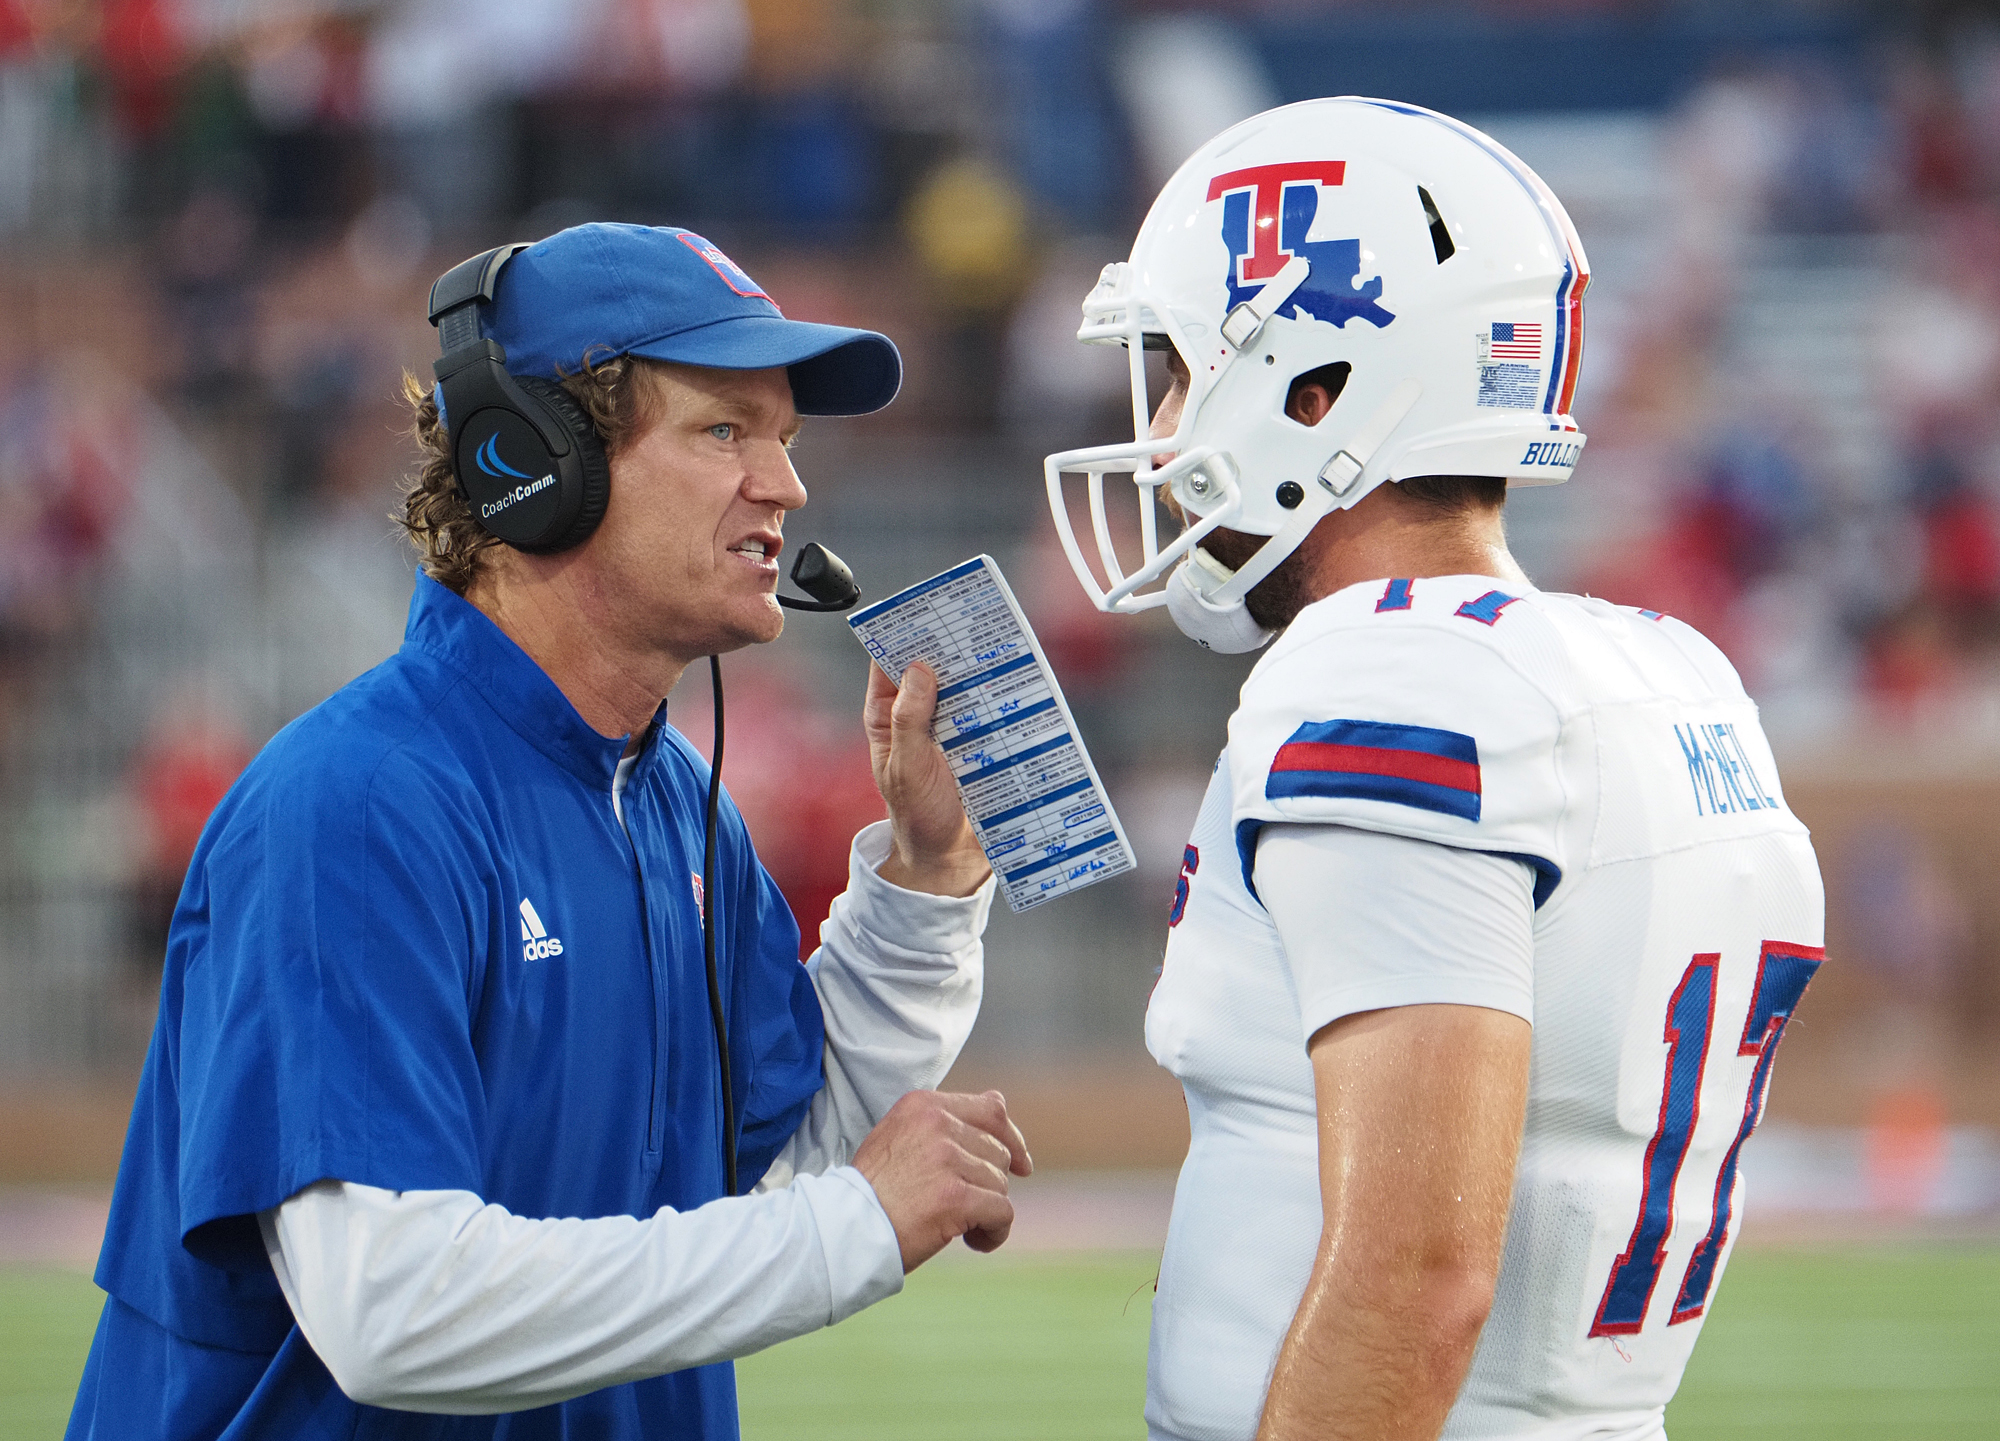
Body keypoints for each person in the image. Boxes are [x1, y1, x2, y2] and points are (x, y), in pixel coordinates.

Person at [69, 222, 1030, 1440]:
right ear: (532, 459)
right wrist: (854, 1226)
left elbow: (779, 1167)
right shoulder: (355, 806)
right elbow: (393, 1306)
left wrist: (929, 878)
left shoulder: (676, 800)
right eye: (725, 430)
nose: (786, 485)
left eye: (783, 439)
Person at [1042, 99, 1826, 1441]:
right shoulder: (1665, 672)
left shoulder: (1389, 681)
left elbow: (1418, 1279)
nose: (1163, 438)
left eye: (1178, 373)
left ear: (1317, 389)